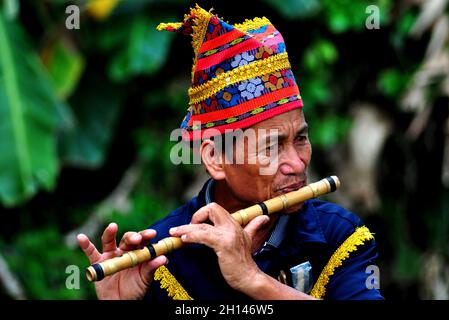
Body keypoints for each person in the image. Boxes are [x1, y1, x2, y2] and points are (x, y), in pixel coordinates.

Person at [77, 5, 383, 300]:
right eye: (271, 147)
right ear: (215, 159)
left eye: (300, 139)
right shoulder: (162, 262)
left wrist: (254, 280)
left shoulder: (340, 236)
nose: (297, 163)